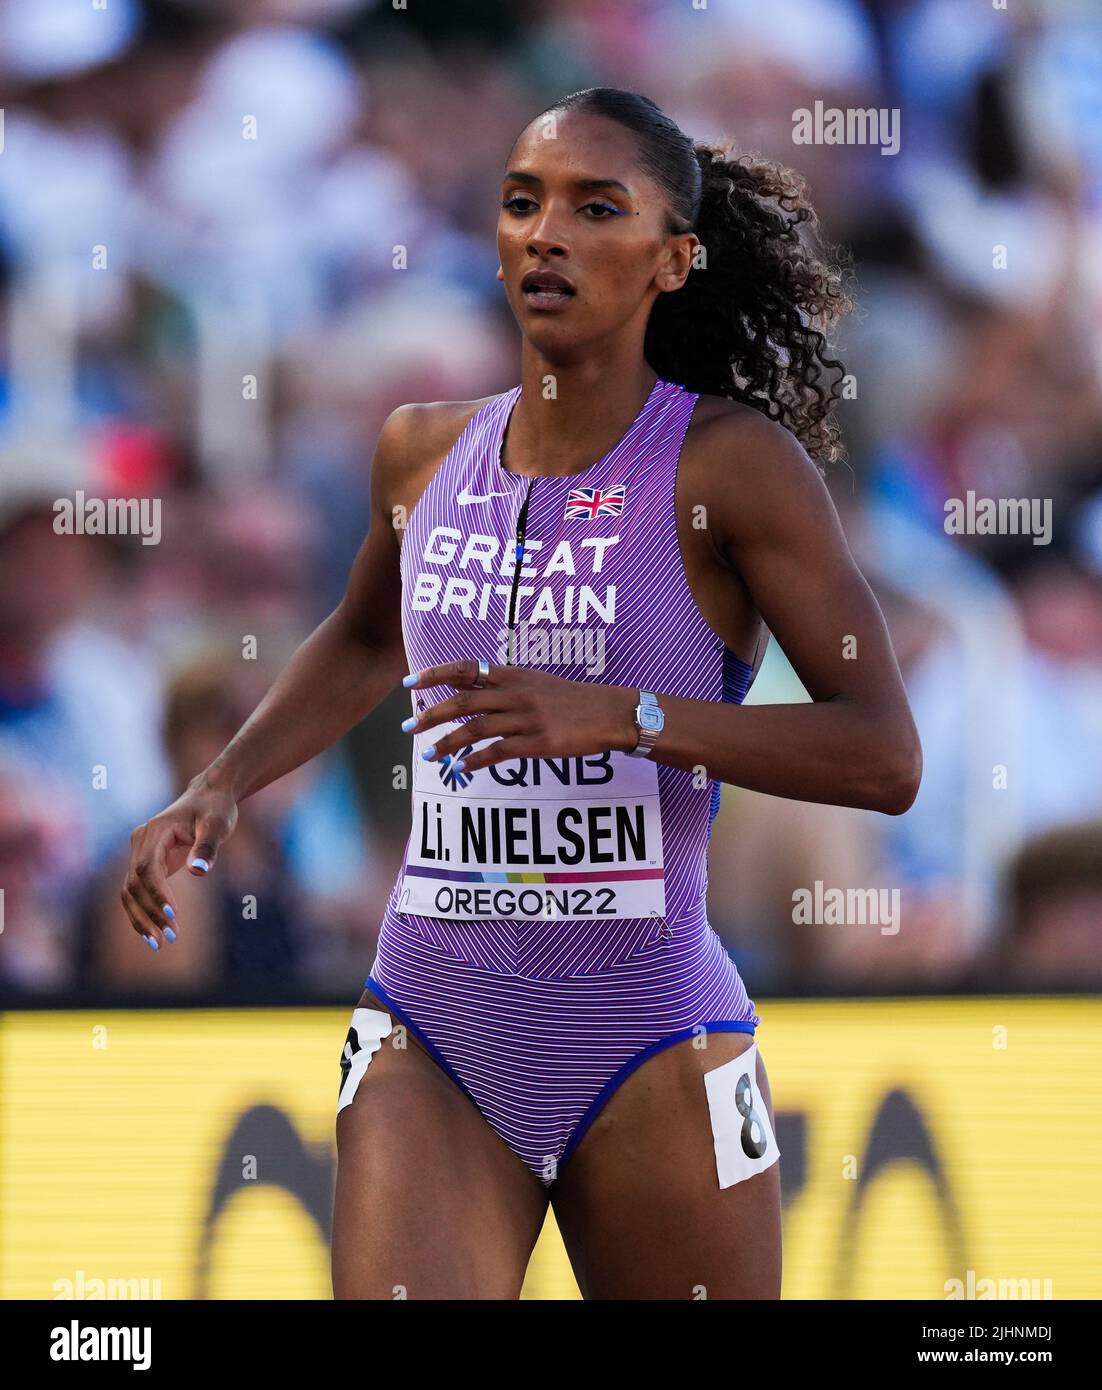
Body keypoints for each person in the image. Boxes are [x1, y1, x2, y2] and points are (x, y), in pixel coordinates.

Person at [122, 87, 921, 1299]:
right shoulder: (419, 449)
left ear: (672, 259)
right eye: (520, 202)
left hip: (653, 1035)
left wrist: (629, 716)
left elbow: (884, 755)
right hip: (433, 1019)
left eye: (595, 209)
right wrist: (221, 781)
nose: (544, 233)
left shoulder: (733, 467)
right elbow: (356, 638)